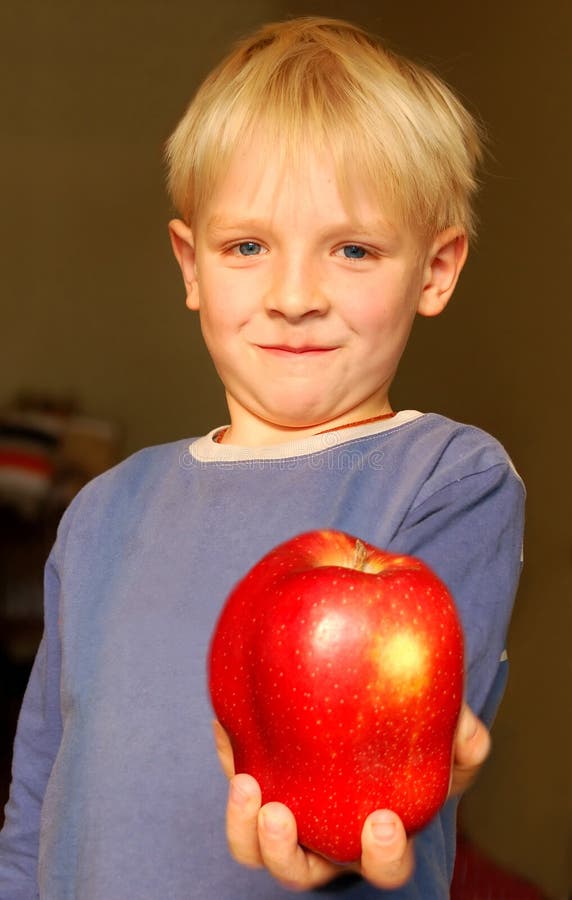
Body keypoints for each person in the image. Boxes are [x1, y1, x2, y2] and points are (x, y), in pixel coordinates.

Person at [0, 16, 525, 899]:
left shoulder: (449, 479)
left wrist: (369, 810)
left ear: (435, 270)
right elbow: (35, 801)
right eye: (247, 247)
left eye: (352, 250)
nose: (292, 297)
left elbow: (416, 748)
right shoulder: (102, 511)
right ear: (190, 263)